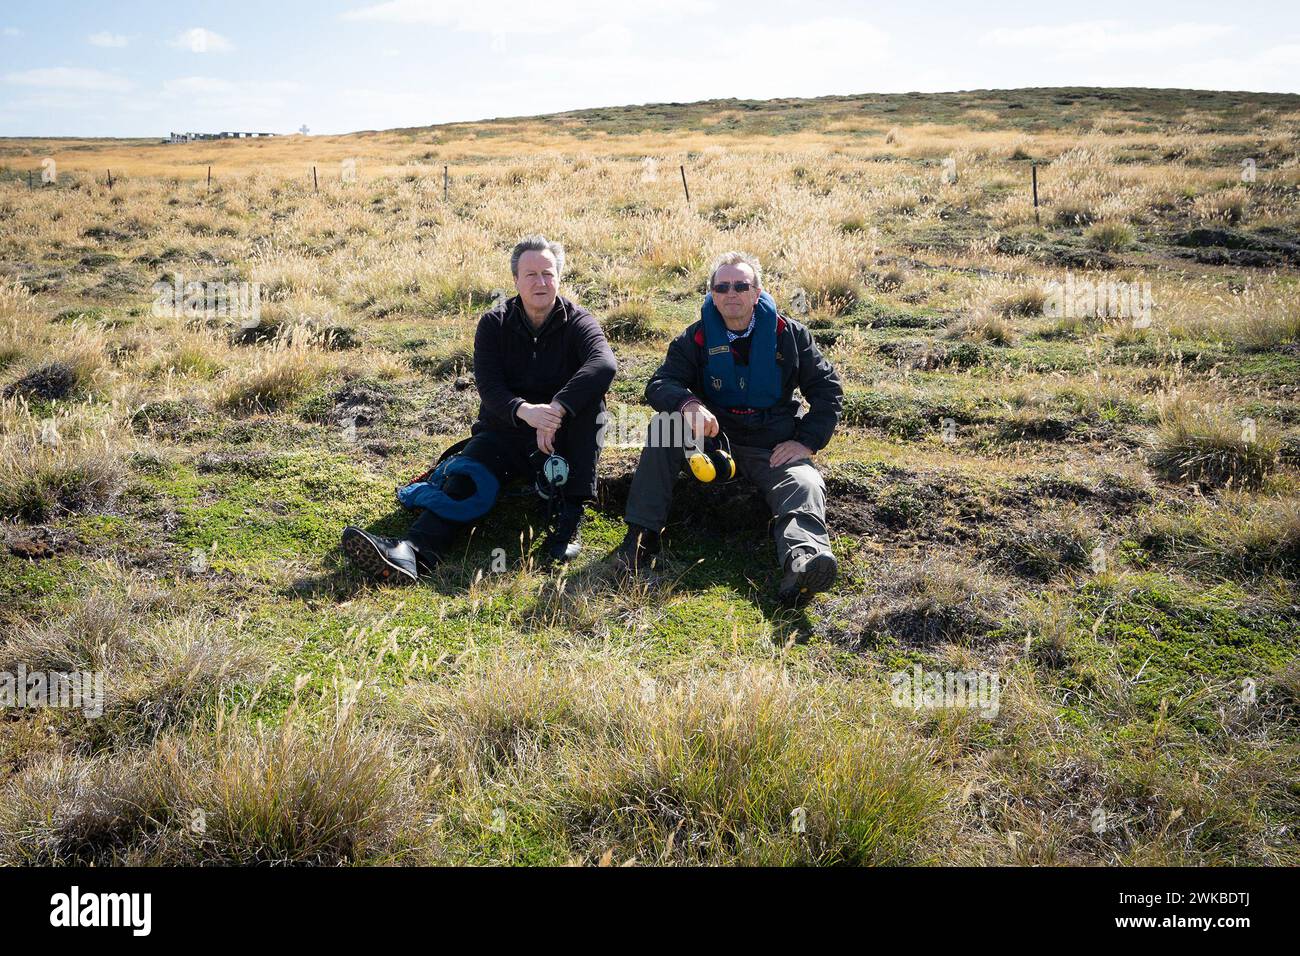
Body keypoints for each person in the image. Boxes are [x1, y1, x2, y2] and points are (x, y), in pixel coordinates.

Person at [342, 235, 616, 583]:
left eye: (548, 273)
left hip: (559, 438)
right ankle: (411, 553)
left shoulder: (579, 321)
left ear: (559, 278)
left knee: (592, 406)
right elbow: (489, 388)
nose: (541, 282)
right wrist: (525, 411)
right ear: (515, 280)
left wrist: (557, 409)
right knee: (467, 477)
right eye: (530, 274)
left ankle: (568, 525)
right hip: (504, 431)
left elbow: (604, 364)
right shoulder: (494, 324)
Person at [613, 251, 844, 605]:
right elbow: (659, 383)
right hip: (715, 443)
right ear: (711, 294)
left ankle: (804, 562)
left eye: (741, 285)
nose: (731, 293)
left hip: (774, 445)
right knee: (664, 427)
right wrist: (689, 405)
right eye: (722, 287)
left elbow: (828, 391)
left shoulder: (791, 336)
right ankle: (641, 538)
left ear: (757, 292)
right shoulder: (696, 339)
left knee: (805, 483)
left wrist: (806, 442)